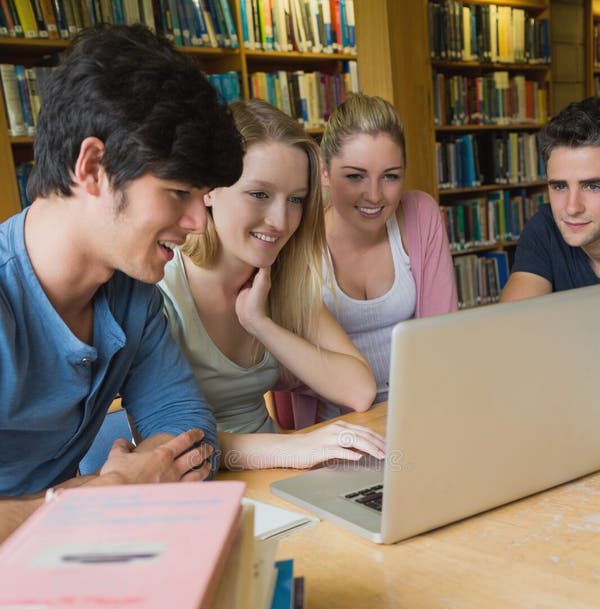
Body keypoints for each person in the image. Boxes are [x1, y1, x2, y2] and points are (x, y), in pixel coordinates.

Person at [0, 24, 244, 538]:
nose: (200, 223)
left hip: (71, 559)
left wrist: (135, 480)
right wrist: (103, 495)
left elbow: (189, 429)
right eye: (178, 192)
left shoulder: (133, 295)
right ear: (92, 167)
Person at [159, 99, 385, 471]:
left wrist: (260, 323)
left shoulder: (278, 279)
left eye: (295, 199)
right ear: (209, 190)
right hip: (200, 484)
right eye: (260, 194)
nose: (281, 220)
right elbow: (171, 444)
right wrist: (292, 449)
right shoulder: (162, 289)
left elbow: (359, 390)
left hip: (274, 475)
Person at [319, 92, 458, 411]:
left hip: (419, 408)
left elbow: (444, 337)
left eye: (390, 176)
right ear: (325, 171)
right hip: (331, 426)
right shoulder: (300, 238)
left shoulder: (420, 214)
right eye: (355, 176)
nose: (374, 196)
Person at [501, 97, 600, 302]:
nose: (572, 208)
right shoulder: (545, 228)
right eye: (560, 186)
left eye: (592, 186)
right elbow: (513, 324)